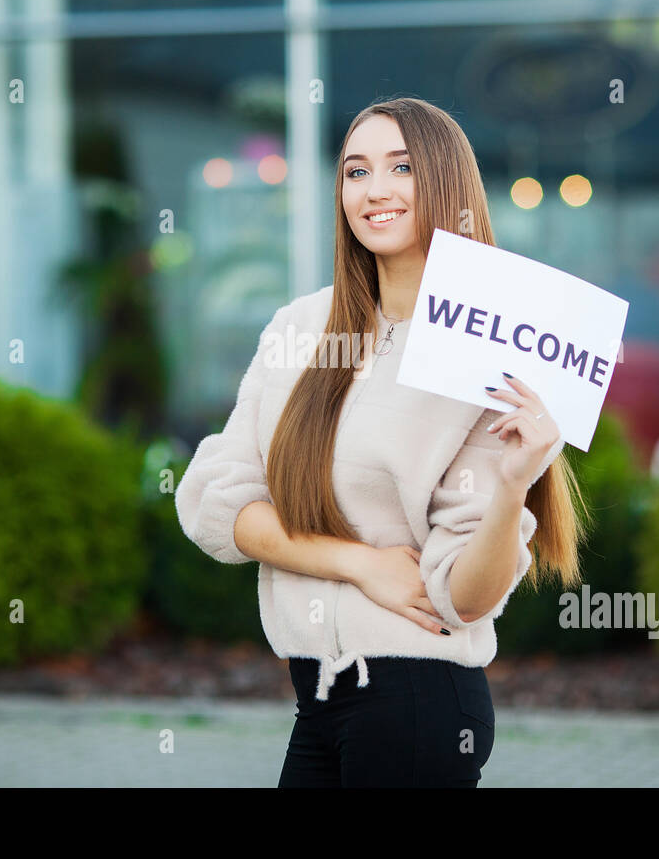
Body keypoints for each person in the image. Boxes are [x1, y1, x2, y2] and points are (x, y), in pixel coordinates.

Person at [175, 96, 587, 787]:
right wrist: (355, 563)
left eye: (401, 167)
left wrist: (515, 484)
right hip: (317, 701)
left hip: (420, 704)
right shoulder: (299, 327)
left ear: (446, 184)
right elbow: (210, 502)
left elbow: (466, 597)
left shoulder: (485, 348)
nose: (376, 191)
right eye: (356, 171)